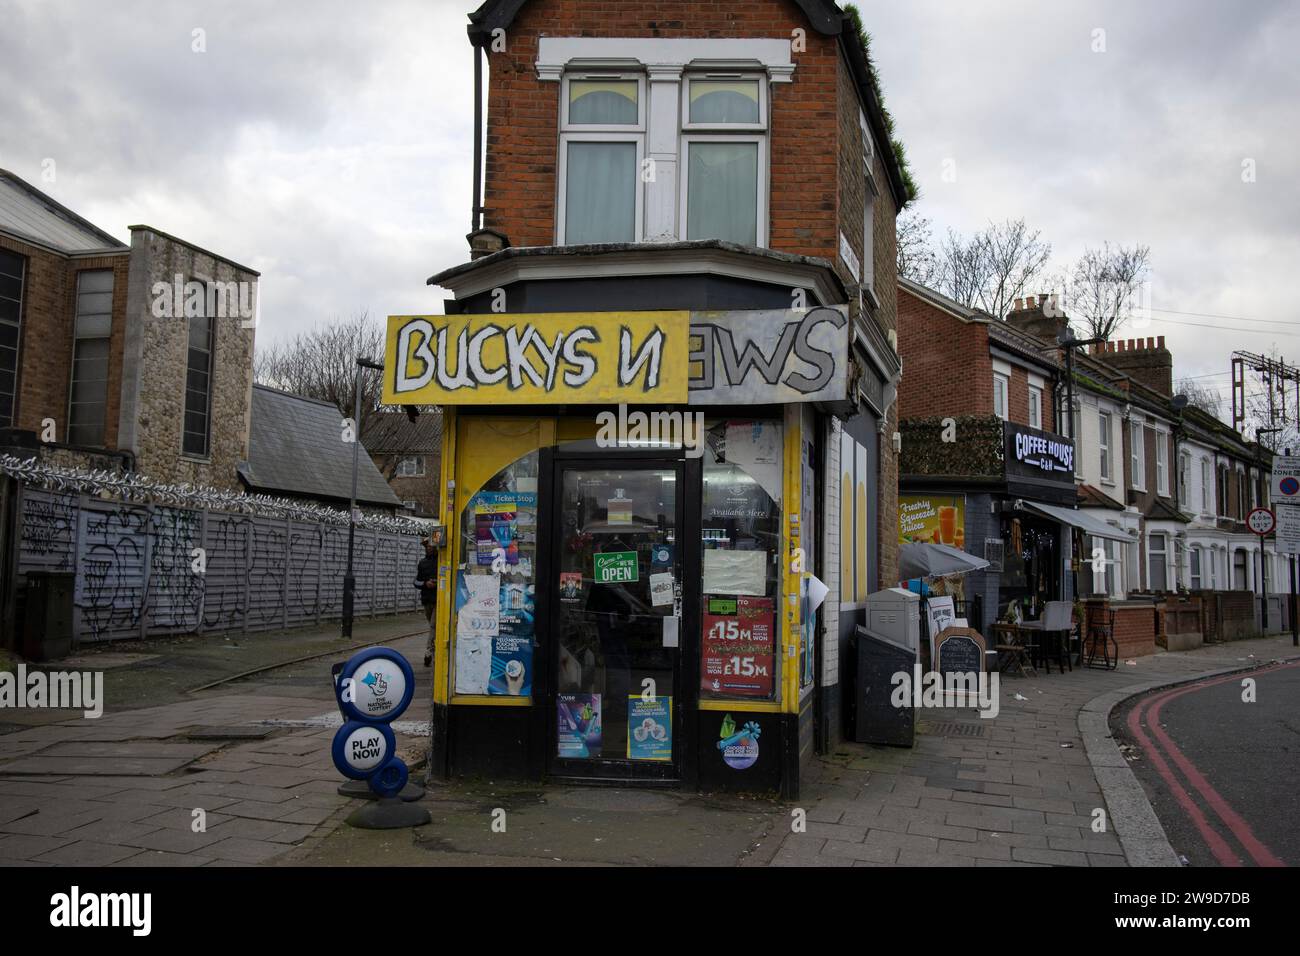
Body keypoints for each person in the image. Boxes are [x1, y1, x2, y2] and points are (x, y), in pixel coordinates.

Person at [414, 537, 438, 666]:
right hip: (427, 600)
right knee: (433, 628)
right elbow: (416, 581)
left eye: (431, 546)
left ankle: (428, 652)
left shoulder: (441, 561)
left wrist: (437, 583)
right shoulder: (422, 563)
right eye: (427, 546)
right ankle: (435, 651)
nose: (429, 548)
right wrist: (425, 583)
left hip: (439, 601)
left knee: (434, 626)